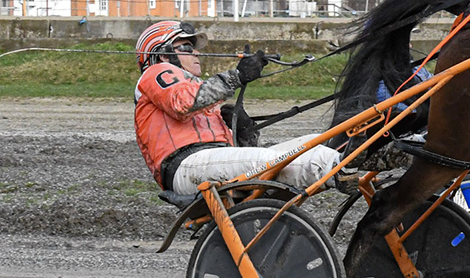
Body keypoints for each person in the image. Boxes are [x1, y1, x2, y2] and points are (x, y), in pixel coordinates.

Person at [133, 20, 346, 199]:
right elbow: (182, 103)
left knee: (315, 142)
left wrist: (246, 132)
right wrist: (238, 76)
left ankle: (348, 161)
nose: (197, 53)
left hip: (206, 165)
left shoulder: (203, 95)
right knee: (276, 162)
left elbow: (237, 156)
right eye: (187, 47)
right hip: (186, 167)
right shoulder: (157, 72)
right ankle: (347, 170)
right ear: (162, 54)